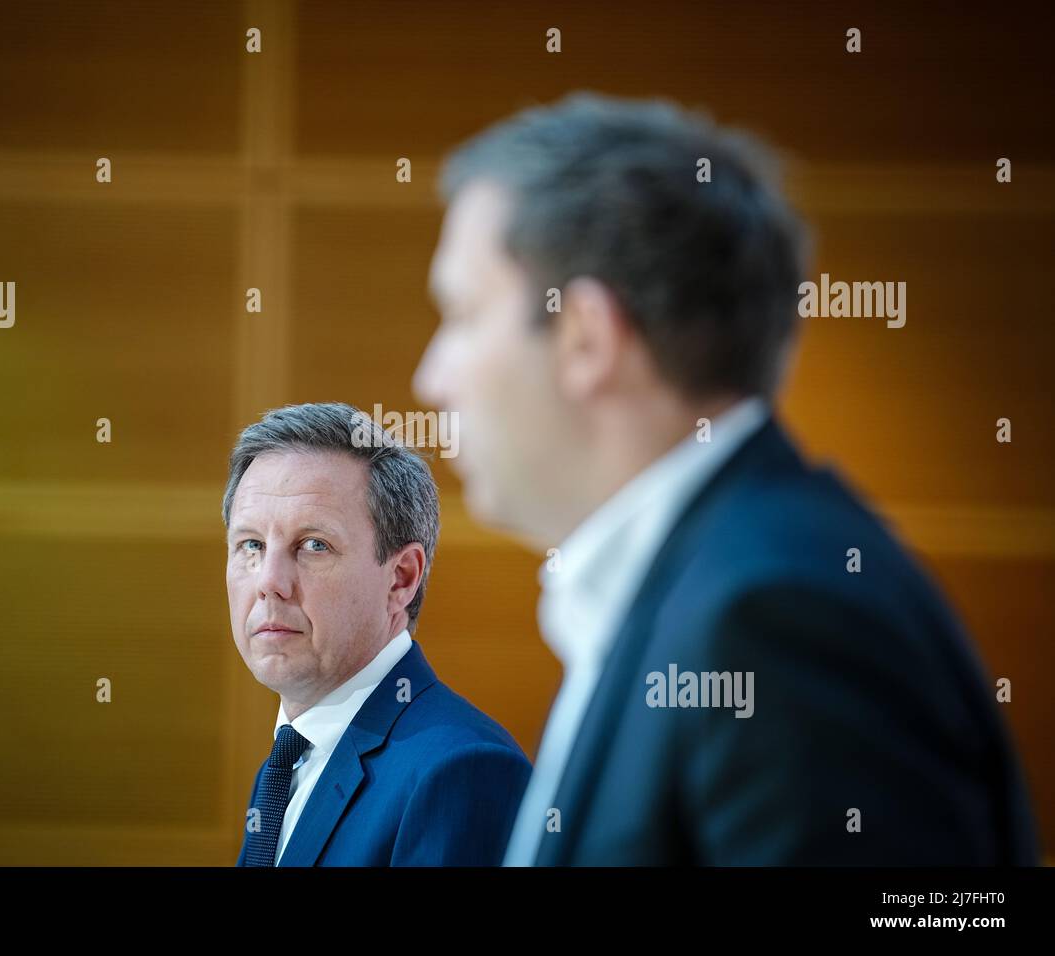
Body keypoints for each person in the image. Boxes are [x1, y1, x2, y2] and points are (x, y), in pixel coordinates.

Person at [412, 93, 1039, 865]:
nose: (430, 378)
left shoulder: (778, 614)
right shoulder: (707, 590)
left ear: (585, 337)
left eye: (463, 314)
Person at [225, 402, 531, 865]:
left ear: (401, 579)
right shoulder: (284, 765)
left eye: (313, 545)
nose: (269, 580)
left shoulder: (462, 771)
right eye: (251, 544)